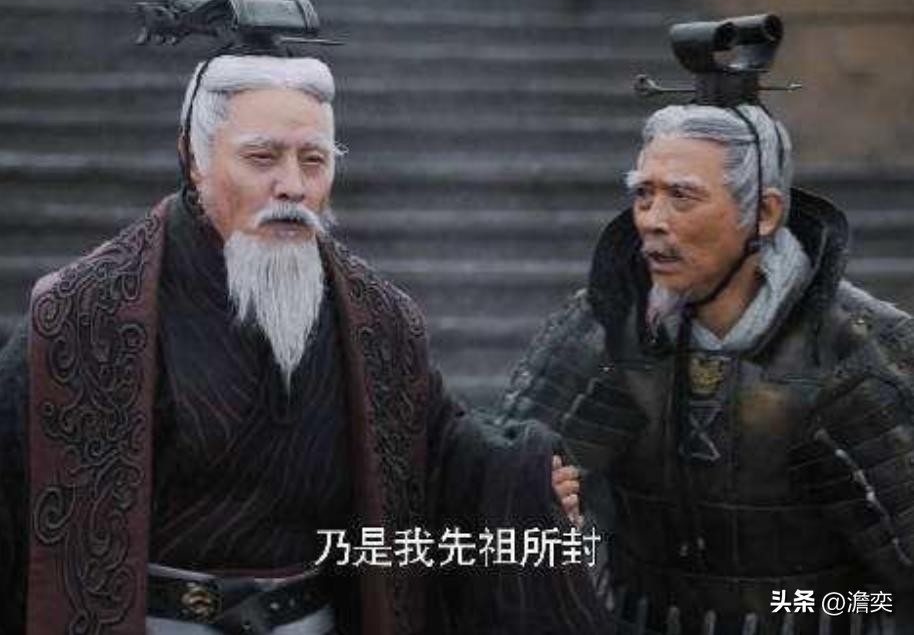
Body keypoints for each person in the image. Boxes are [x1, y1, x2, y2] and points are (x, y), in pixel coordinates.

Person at [0, 55, 599, 635]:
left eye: (314, 161)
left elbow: (437, 450)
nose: (292, 186)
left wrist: (524, 484)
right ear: (194, 159)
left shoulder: (377, 318)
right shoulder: (87, 314)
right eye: (262, 157)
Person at [499, 103, 914, 633]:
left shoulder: (855, 348)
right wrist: (544, 501)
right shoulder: (602, 328)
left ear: (764, 213)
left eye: (682, 196)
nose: (652, 220)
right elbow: (505, 498)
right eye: (643, 194)